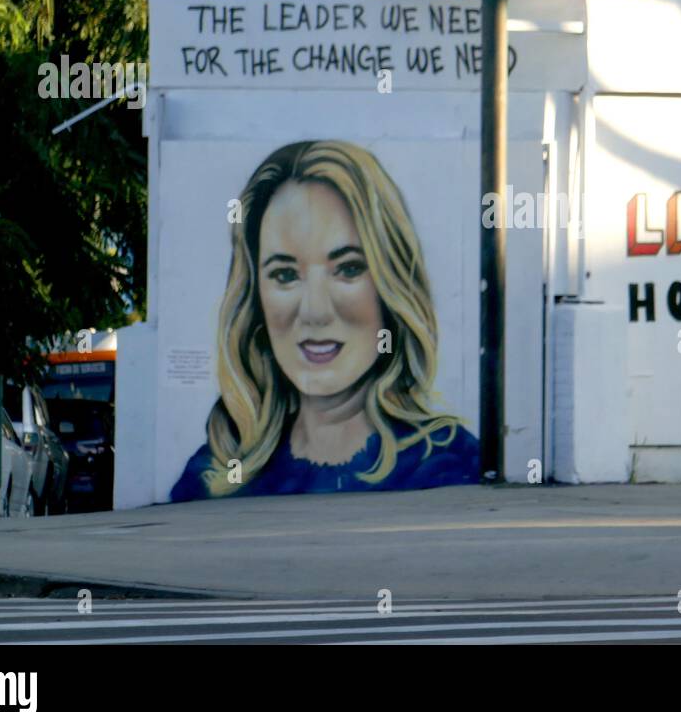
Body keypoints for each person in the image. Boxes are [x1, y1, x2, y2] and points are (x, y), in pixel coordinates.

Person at [171, 140, 478, 501]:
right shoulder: (216, 470)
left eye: (348, 268)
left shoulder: (449, 464)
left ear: (389, 286)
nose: (315, 311)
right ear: (257, 301)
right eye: (285, 275)